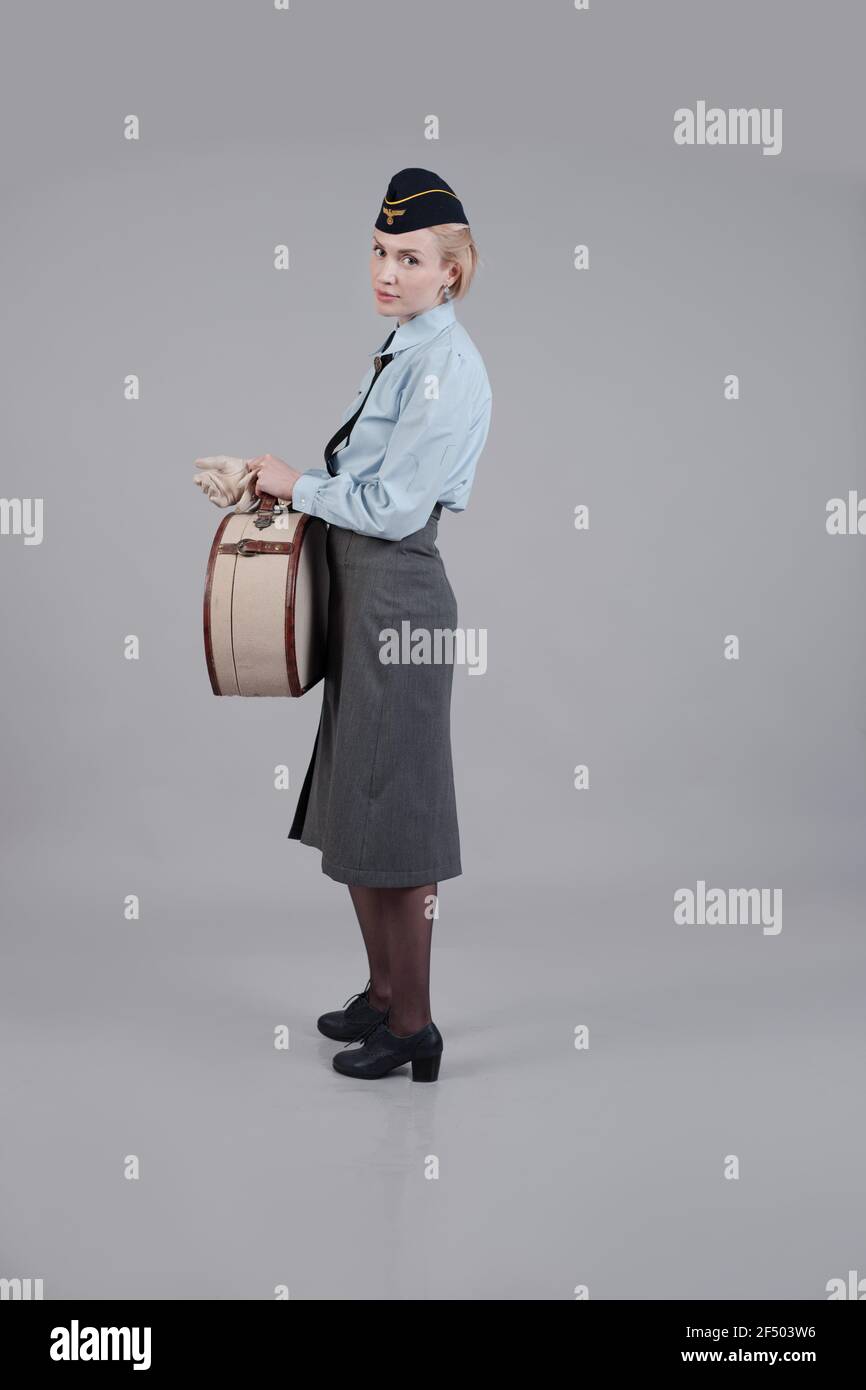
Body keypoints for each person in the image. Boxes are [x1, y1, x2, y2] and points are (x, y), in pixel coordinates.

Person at [245, 167, 492, 1082]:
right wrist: (285, 489)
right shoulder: (400, 347)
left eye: (411, 258)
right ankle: (385, 995)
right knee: (359, 796)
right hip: (363, 590)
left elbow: (390, 506)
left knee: (400, 811)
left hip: (399, 596)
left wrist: (292, 483)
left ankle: (417, 1025)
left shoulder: (446, 366)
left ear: (451, 272)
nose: (389, 271)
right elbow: (361, 481)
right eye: (382, 252)